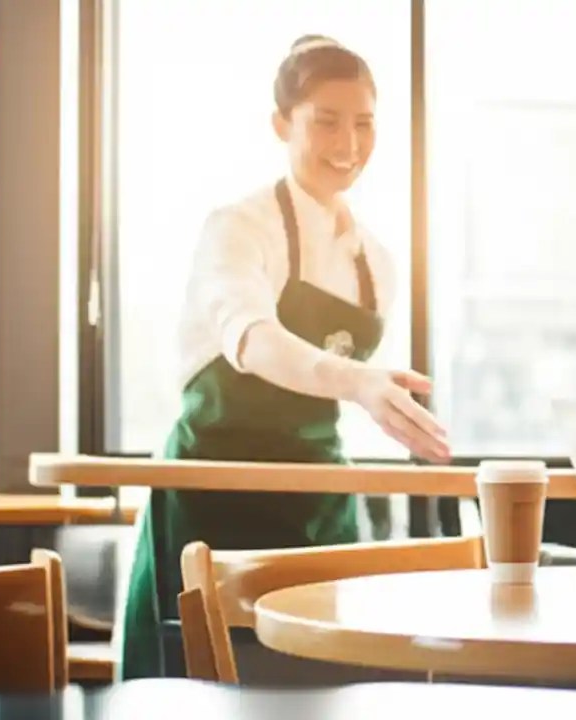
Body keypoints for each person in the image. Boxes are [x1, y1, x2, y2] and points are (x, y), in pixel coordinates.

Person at [120, 35, 451, 679]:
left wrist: (371, 393)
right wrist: (356, 379)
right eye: (325, 121)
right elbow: (253, 339)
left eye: (363, 124)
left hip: (317, 499)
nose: (348, 144)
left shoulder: (374, 260)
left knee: (328, 681)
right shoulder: (238, 226)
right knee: (200, 685)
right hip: (213, 495)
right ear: (281, 124)